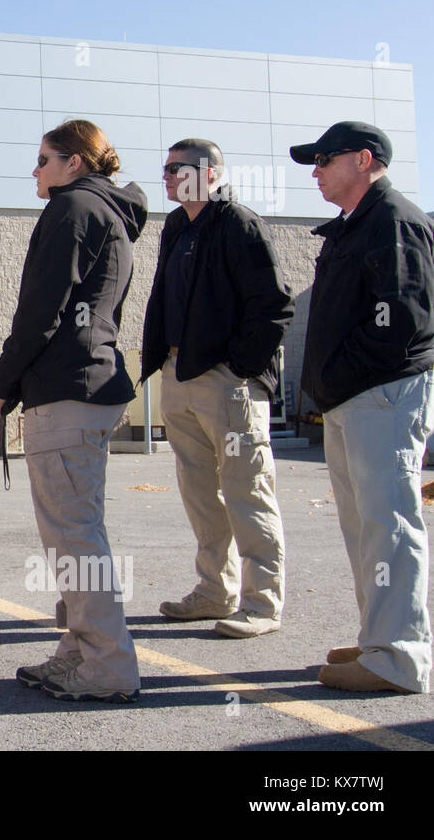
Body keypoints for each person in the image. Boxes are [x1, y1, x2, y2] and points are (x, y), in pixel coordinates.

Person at [0, 119, 146, 703]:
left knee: (75, 538)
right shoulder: (105, 211)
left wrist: (2, 383)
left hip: (68, 392)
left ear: (75, 162)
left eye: (44, 159)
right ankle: (80, 649)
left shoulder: (71, 208)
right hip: (87, 388)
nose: (36, 170)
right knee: (76, 533)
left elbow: (40, 311)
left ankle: (108, 667)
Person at [293, 121, 434, 694]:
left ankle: (398, 657)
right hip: (353, 397)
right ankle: (380, 638)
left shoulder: (394, 220)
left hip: (381, 393)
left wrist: (343, 374)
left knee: (389, 525)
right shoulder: (356, 224)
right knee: (364, 528)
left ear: (363, 159)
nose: (316, 171)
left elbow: (401, 320)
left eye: (324, 159)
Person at [141, 139, 293, 638]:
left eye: (176, 168)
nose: (166, 176)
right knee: (200, 493)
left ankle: (262, 604)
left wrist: (238, 369)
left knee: (247, 491)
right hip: (178, 374)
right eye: (165, 168)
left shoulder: (239, 224)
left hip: (227, 382)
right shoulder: (177, 226)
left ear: (209, 173)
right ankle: (214, 591)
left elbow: (274, 305)